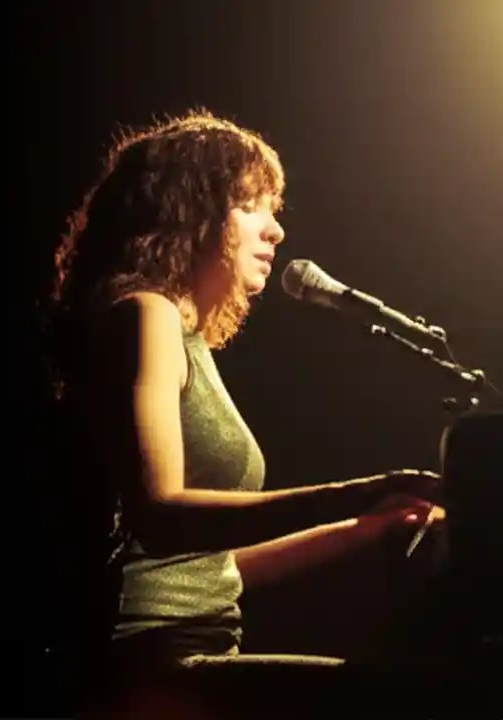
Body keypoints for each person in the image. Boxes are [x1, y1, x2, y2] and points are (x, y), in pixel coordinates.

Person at [43, 109, 445, 716]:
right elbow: (161, 515)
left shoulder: (185, 337)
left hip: (189, 655)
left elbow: (210, 571)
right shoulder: (144, 314)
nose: (277, 231)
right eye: (255, 205)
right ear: (196, 215)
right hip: (148, 665)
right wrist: (358, 492)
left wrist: (368, 527)